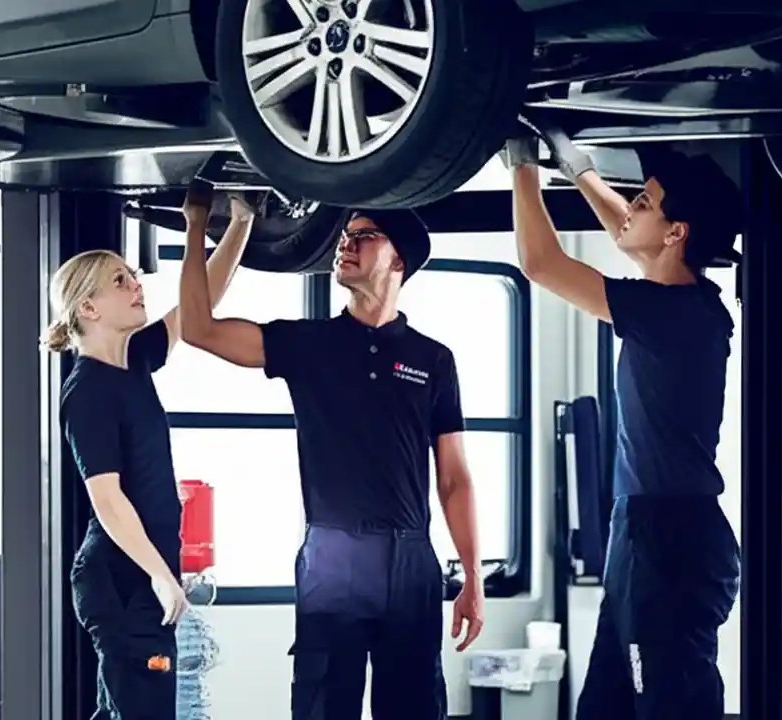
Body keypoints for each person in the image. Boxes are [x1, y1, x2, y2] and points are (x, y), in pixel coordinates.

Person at [178, 198, 485, 720]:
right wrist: (202, 228)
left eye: (364, 236)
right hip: (332, 556)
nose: (347, 241)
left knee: (414, 708)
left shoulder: (433, 359)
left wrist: (473, 579)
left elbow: (454, 479)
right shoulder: (307, 343)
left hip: (410, 561)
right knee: (322, 706)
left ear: (399, 260)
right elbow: (198, 329)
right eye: (346, 233)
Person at [500, 122, 742, 719]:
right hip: (648, 530)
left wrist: (523, 165)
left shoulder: (669, 313)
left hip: (667, 536)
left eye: (644, 202)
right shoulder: (679, 303)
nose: (629, 208)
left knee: (665, 703)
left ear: (676, 233)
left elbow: (539, 263)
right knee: (609, 702)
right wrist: (578, 169)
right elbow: (624, 230)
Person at [48, 192, 254, 719]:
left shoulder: (134, 360)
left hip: (135, 575)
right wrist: (161, 574)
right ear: (87, 309)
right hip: (121, 581)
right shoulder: (86, 392)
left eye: (133, 276)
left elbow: (198, 301)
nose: (136, 284)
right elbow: (108, 499)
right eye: (121, 281)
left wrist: (229, 225)